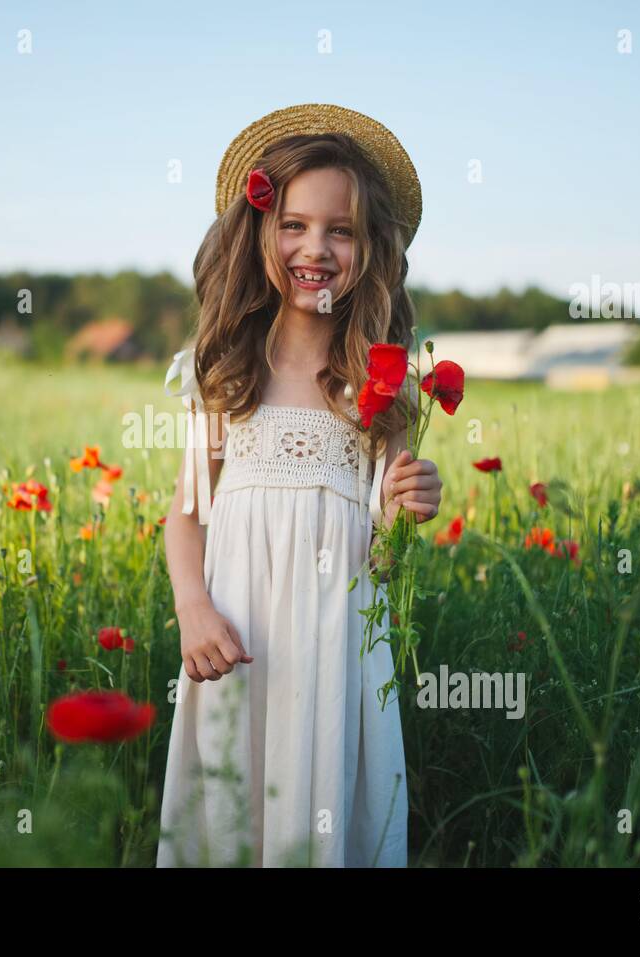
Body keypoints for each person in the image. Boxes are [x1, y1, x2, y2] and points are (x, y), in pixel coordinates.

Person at [156, 104, 443, 867]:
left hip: (335, 653)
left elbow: (384, 562)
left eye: (340, 230)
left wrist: (403, 506)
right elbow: (185, 516)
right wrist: (193, 610)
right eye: (295, 224)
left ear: (369, 247)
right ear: (261, 231)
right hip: (238, 642)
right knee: (234, 818)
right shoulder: (227, 371)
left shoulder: (380, 393)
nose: (315, 247)